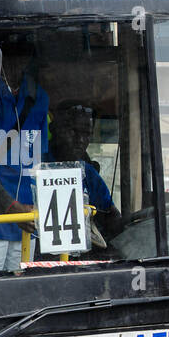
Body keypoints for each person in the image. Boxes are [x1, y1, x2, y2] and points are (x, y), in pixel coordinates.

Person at [0, 39, 49, 272]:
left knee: (21, 291)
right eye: (14, 56)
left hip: (27, 219)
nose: (19, 63)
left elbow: (40, 159)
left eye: (25, 56)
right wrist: (11, 208)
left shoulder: (38, 97)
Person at [49, 101, 120, 243]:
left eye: (87, 134)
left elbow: (112, 217)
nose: (81, 140)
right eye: (73, 131)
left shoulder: (88, 173)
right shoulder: (36, 168)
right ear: (55, 129)